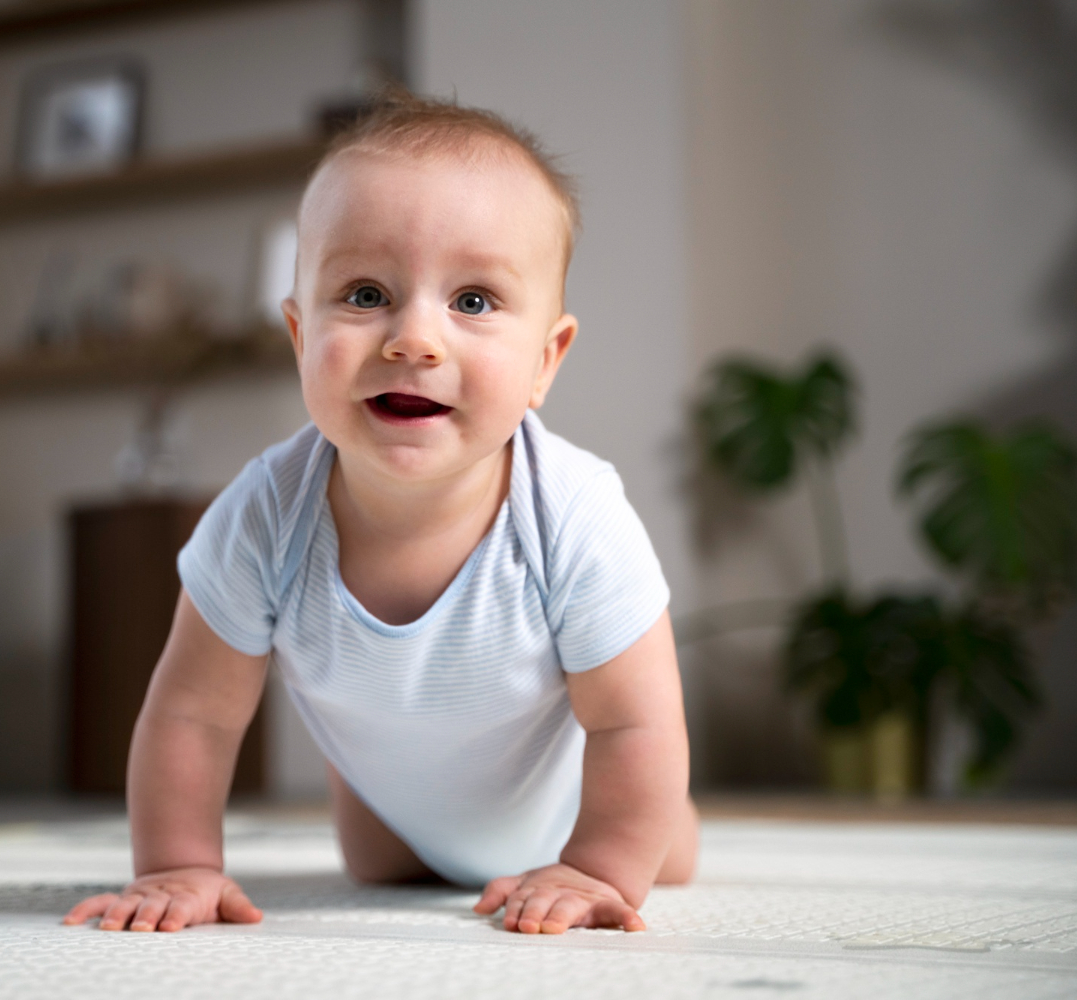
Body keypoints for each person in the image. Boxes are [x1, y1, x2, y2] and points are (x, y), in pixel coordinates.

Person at [63, 92, 697, 937]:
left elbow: (634, 721)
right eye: (365, 293)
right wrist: (179, 866)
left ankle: (655, 831)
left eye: (473, 301)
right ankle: (395, 783)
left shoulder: (575, 516)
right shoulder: (260, 518)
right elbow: (192, 714)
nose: (414, 339)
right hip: (388, 816)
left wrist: (597, 866)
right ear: (298, 336)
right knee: (377, 867)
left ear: (546, 360)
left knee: (666, 846)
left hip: (567, 804)